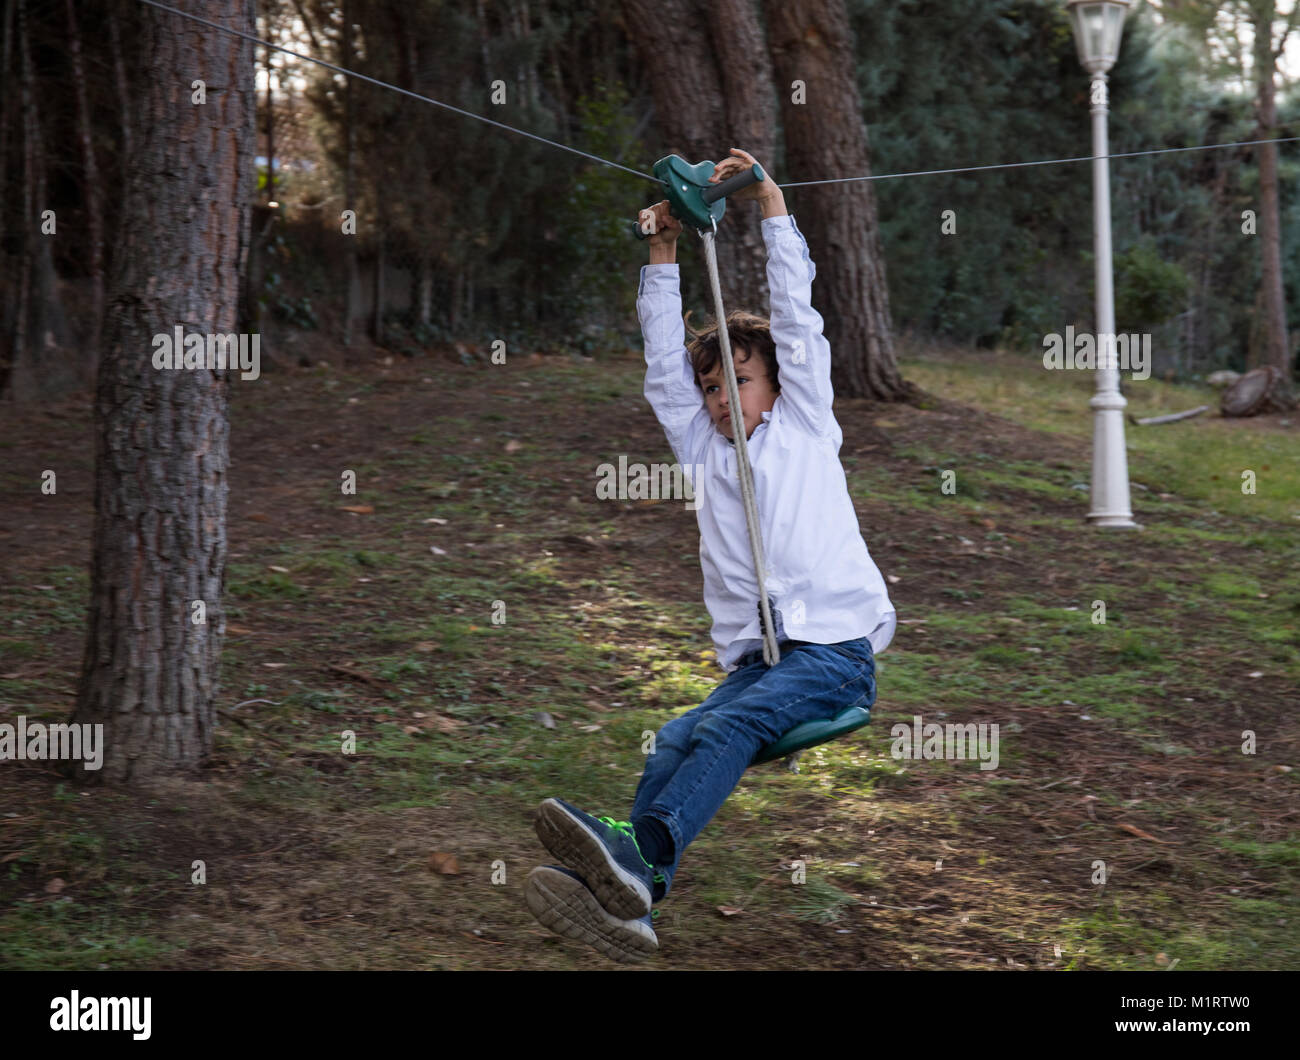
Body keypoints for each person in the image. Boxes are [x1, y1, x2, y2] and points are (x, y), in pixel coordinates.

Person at [523, 148, 896, 962]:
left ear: (776, 385)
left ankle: (640, 856)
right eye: (713, 390)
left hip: (835, 651)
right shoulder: (704, 449)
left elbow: (797, 319)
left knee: (731, 722)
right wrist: (661, 254)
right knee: (679, 734)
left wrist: (770, 204)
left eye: (739, 381)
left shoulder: (806, 425)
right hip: (759, 660)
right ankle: (628, 901)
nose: (722, 398)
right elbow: (663, 371)